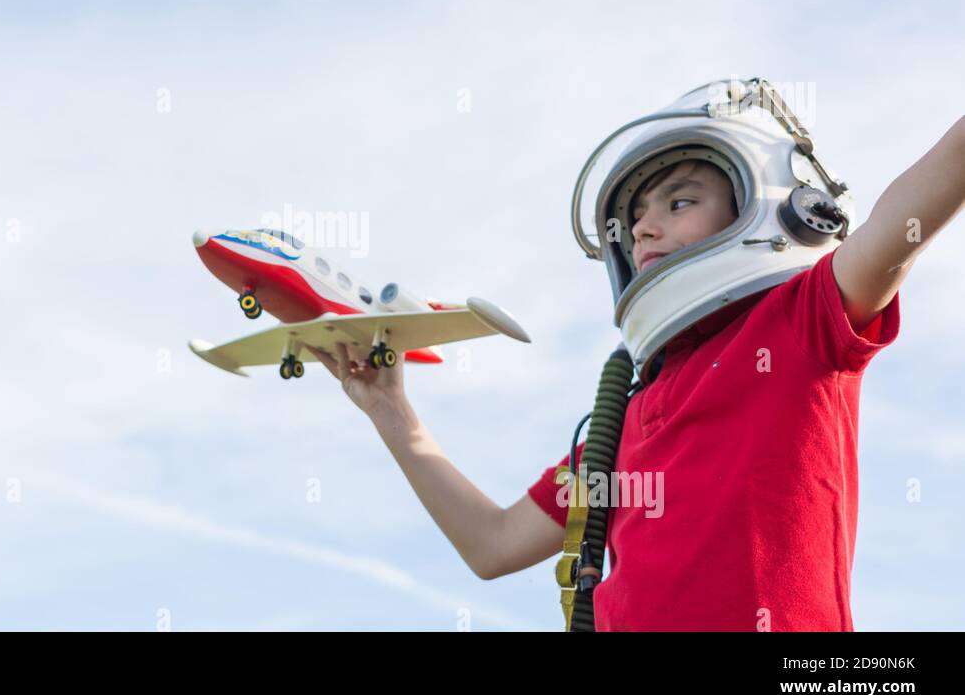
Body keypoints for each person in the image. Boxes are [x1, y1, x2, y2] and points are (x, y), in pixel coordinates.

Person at [308, 81, 965, 631]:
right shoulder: (621, 418)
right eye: (637, 218)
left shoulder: (800, 324)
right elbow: (494, 543)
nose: (646, 227)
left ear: (767, 207)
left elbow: (907, 211)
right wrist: (391, 409)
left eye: (679, 202)